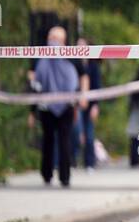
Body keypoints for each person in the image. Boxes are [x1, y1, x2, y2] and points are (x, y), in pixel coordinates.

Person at [27, 26, 87, 188]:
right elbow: (34, 83)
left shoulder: (72, 57)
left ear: (64, 41)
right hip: (46, 106)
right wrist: (32, 110)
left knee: (64, 139)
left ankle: (65, 176)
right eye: (51, 38)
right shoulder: (39, 57)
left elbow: (82, 76)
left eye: (57, 39)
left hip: (66, 105)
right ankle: (46, 174)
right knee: (48, 140)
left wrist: (82, 97)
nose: (53, 42)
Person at [70, 36, 101, 171]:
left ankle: (89, 163)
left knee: (89, 135)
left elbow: (97, 86)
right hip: (75, 105)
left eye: (82, 45)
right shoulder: (73, 63)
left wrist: (95, 105)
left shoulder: (93, 65)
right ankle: (74, 159)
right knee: (76, 133)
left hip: (89, 105)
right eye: (78, 45)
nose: (79, 48)